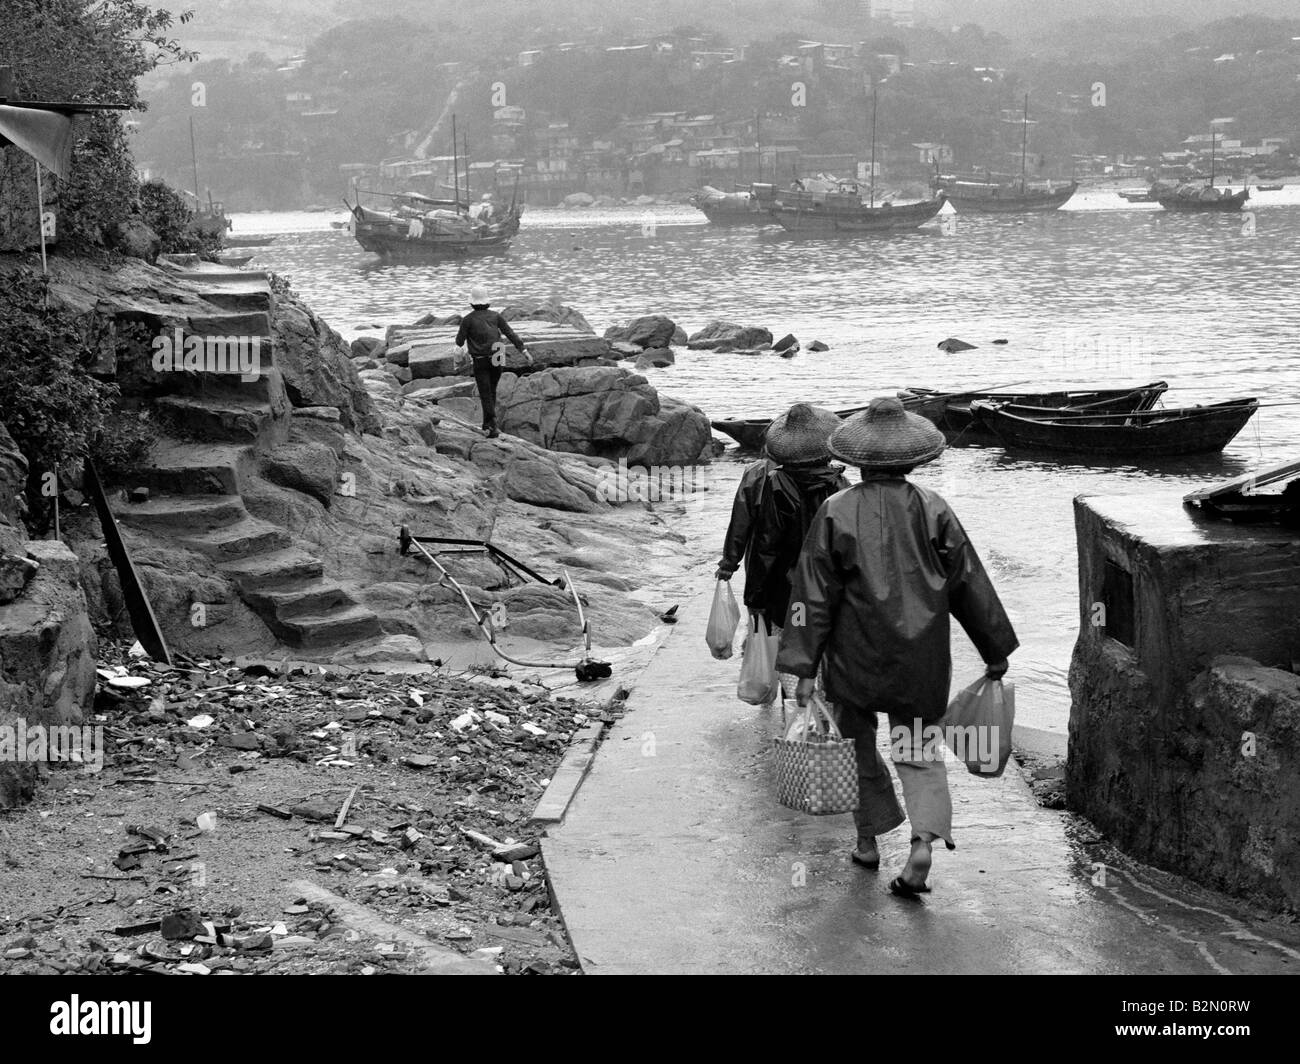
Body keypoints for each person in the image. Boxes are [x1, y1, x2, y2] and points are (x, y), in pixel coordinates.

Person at [775, 396, 1018, 898]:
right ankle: (922, 844)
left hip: (854, 661)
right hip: (921, 663)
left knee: (856, 747)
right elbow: (969, 583)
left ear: (856, 460)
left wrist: (802, 667)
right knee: (918, 750)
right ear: (914, 459)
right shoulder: (934, 508)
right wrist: (995, 649)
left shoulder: (835, 511)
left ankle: (867, 841)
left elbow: (812, 595)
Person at [716, 404, 846, 702]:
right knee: (820, 643)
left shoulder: (766, 478)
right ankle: (819, 711)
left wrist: (736, 572)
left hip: (780, 585)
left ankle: (793, 709)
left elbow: (760, 541)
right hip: (825, 587)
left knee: (781, 637)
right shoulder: (839, 483)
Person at [454, 286, 532, 438]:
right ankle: (488, 424)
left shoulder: (468, 320)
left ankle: (492, 426)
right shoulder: (496, 316)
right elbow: (510, 333)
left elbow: (459, 341)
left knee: (485, 393)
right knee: (492, 390)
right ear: (486, 301)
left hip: (480, 359)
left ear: (472, 303)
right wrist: (524, 351)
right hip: (498, 354)